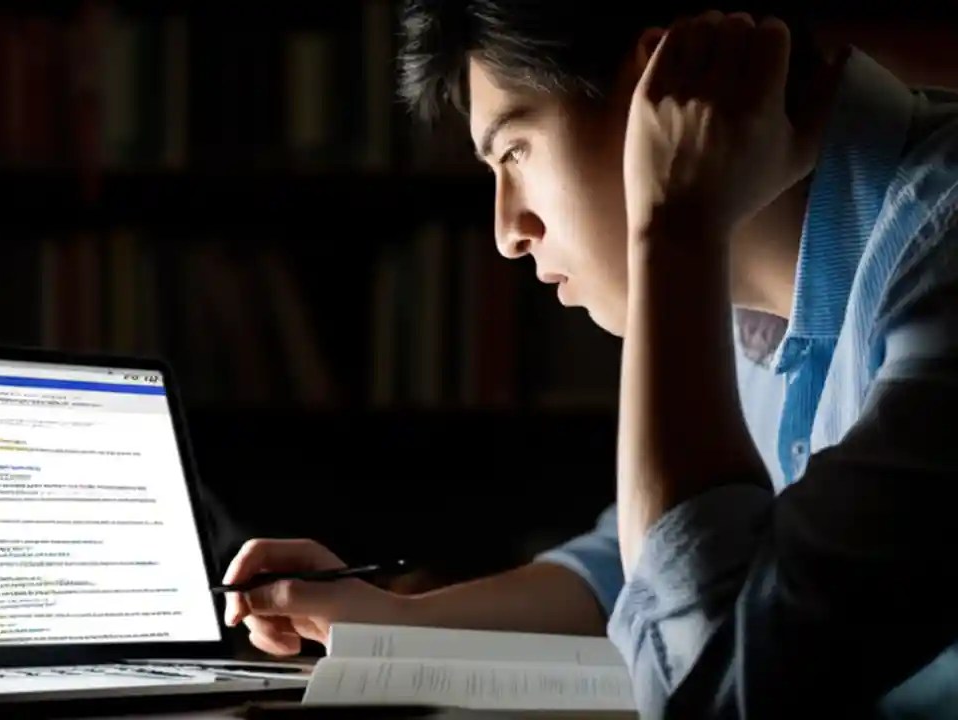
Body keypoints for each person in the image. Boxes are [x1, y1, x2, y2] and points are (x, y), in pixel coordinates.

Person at [221, 1, 958, 716]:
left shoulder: (939, 253)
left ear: (664, 85)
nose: (509, 230)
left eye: (515, 149)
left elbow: (715, 683)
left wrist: (674, 227)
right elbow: (630, 570)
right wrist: (383, 621)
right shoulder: (753, 297)